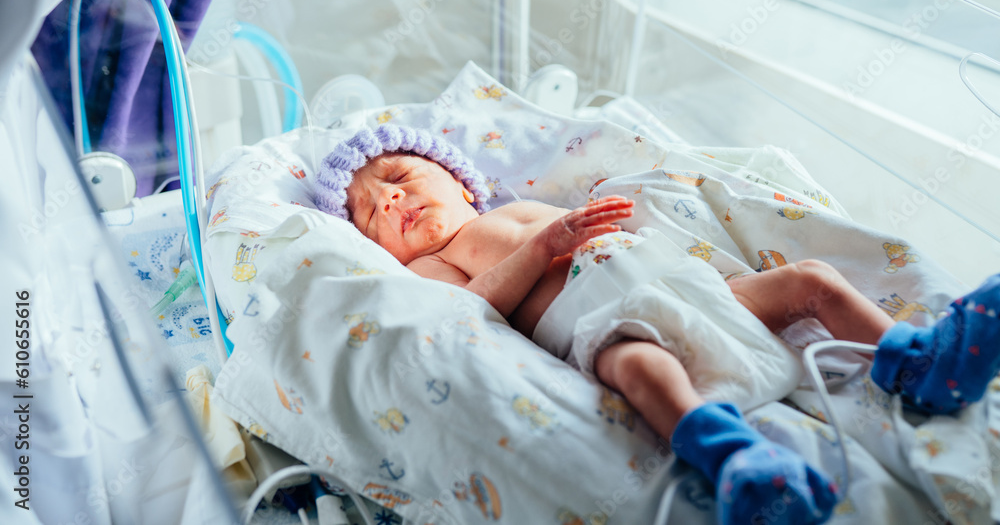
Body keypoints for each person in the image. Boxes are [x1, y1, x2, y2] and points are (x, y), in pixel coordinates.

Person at [314, 124, 1000, 525]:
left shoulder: (511, 205)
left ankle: (919, 361)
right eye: (373, 213)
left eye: (399, 176)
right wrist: (543, 249)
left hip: (687, 285)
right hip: (602, 320)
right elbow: (473, 311)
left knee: (809, 281)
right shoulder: (438, 263)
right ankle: (736, 456)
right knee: (641, 368)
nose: (391, 199)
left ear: (461, 182)